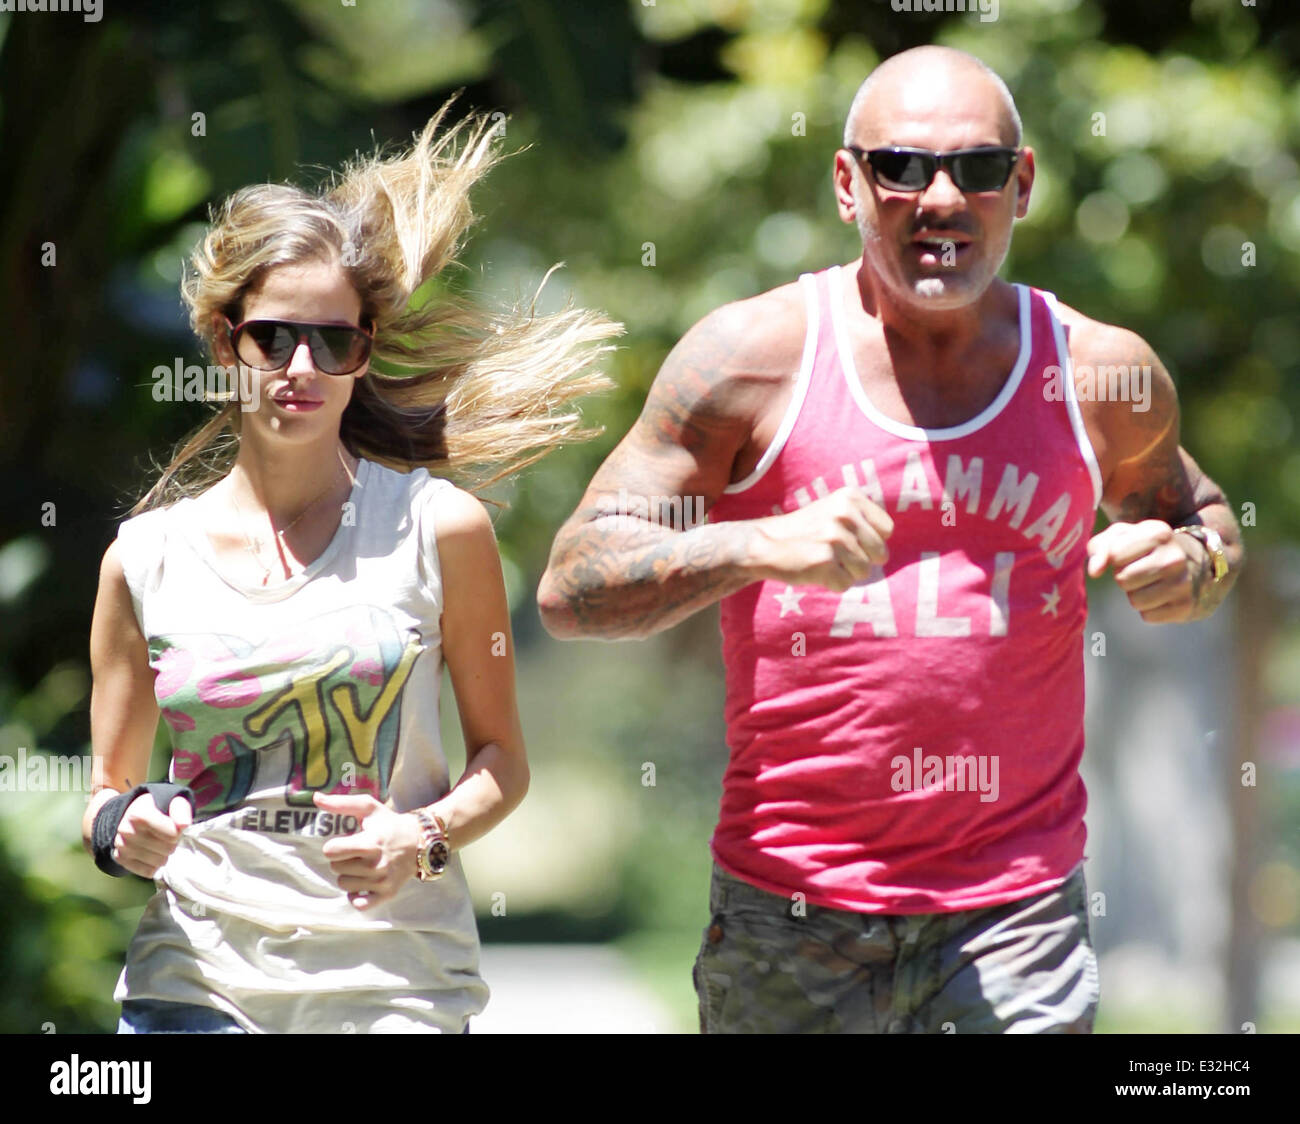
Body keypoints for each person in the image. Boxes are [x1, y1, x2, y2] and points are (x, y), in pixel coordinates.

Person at [537, 46, 1243, 1033]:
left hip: (1017, 910)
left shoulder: (1098, 374)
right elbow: (572, 586)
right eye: (900, 167)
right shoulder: (751, 360)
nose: (940, 198)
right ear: (845, 183)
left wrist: (1194, 566)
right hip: (791, 901)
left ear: (1023, 183)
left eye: (978, 169)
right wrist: (760, 544)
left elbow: (1199, 519)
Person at [83, 103, 617, 1034]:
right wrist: (122, 831)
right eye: (273, 336)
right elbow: (108, 793)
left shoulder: (436, 529)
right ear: (224, 342)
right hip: (194, 984)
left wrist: (421, 838)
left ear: (363, 355)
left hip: (391, 989)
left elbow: (503, 764)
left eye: (335, 341)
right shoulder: (143, 558)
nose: (303, 364)